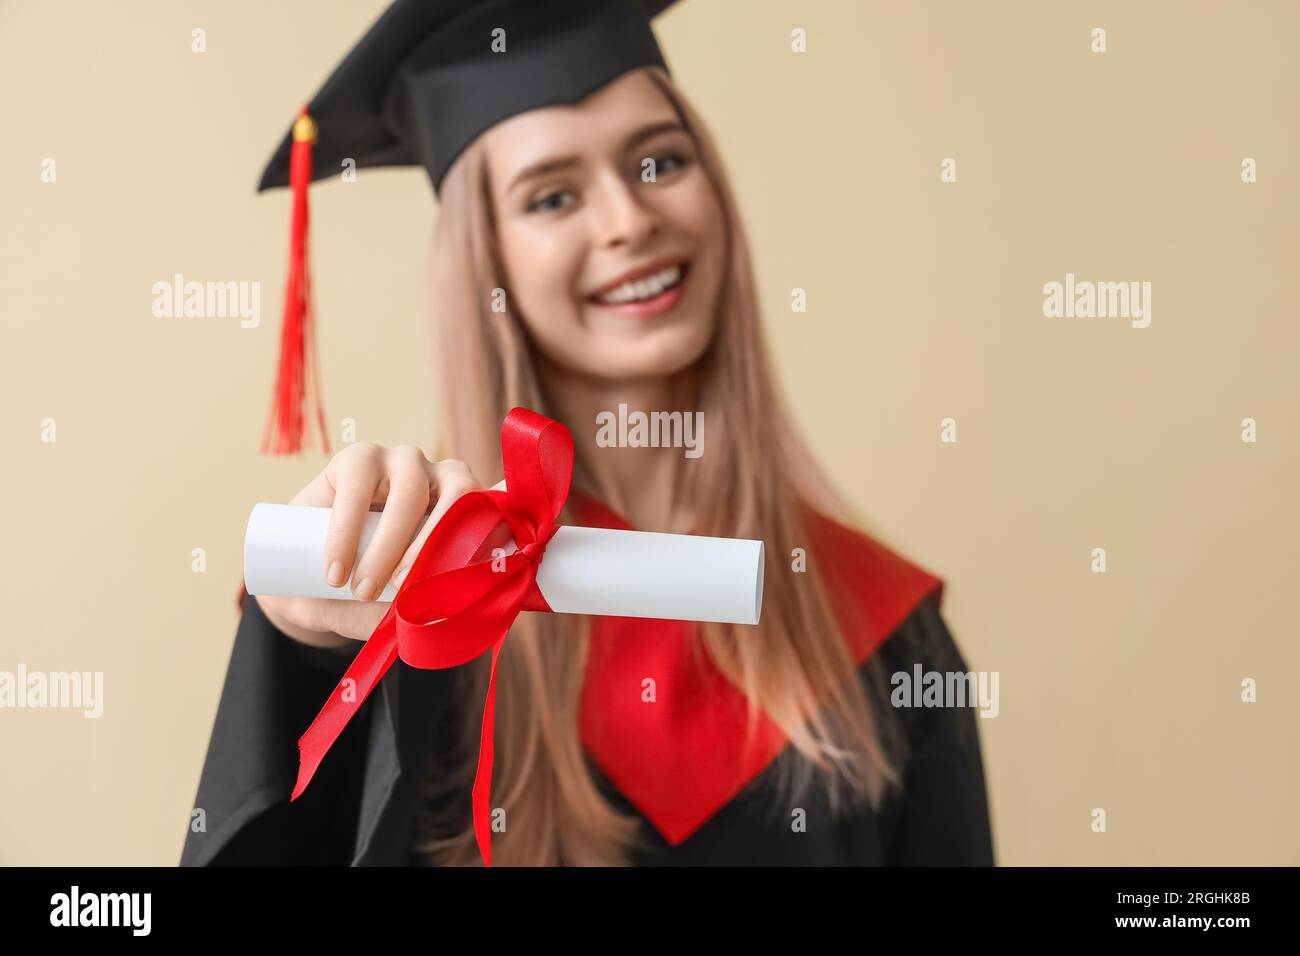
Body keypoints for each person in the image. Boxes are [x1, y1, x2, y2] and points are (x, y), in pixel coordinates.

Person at [182, 0, 995, 867]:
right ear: (486, 257)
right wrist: (306, 648)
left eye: (660, 161)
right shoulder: (419, 611)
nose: (627, 220)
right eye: (554, 195)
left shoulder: (879, 632)